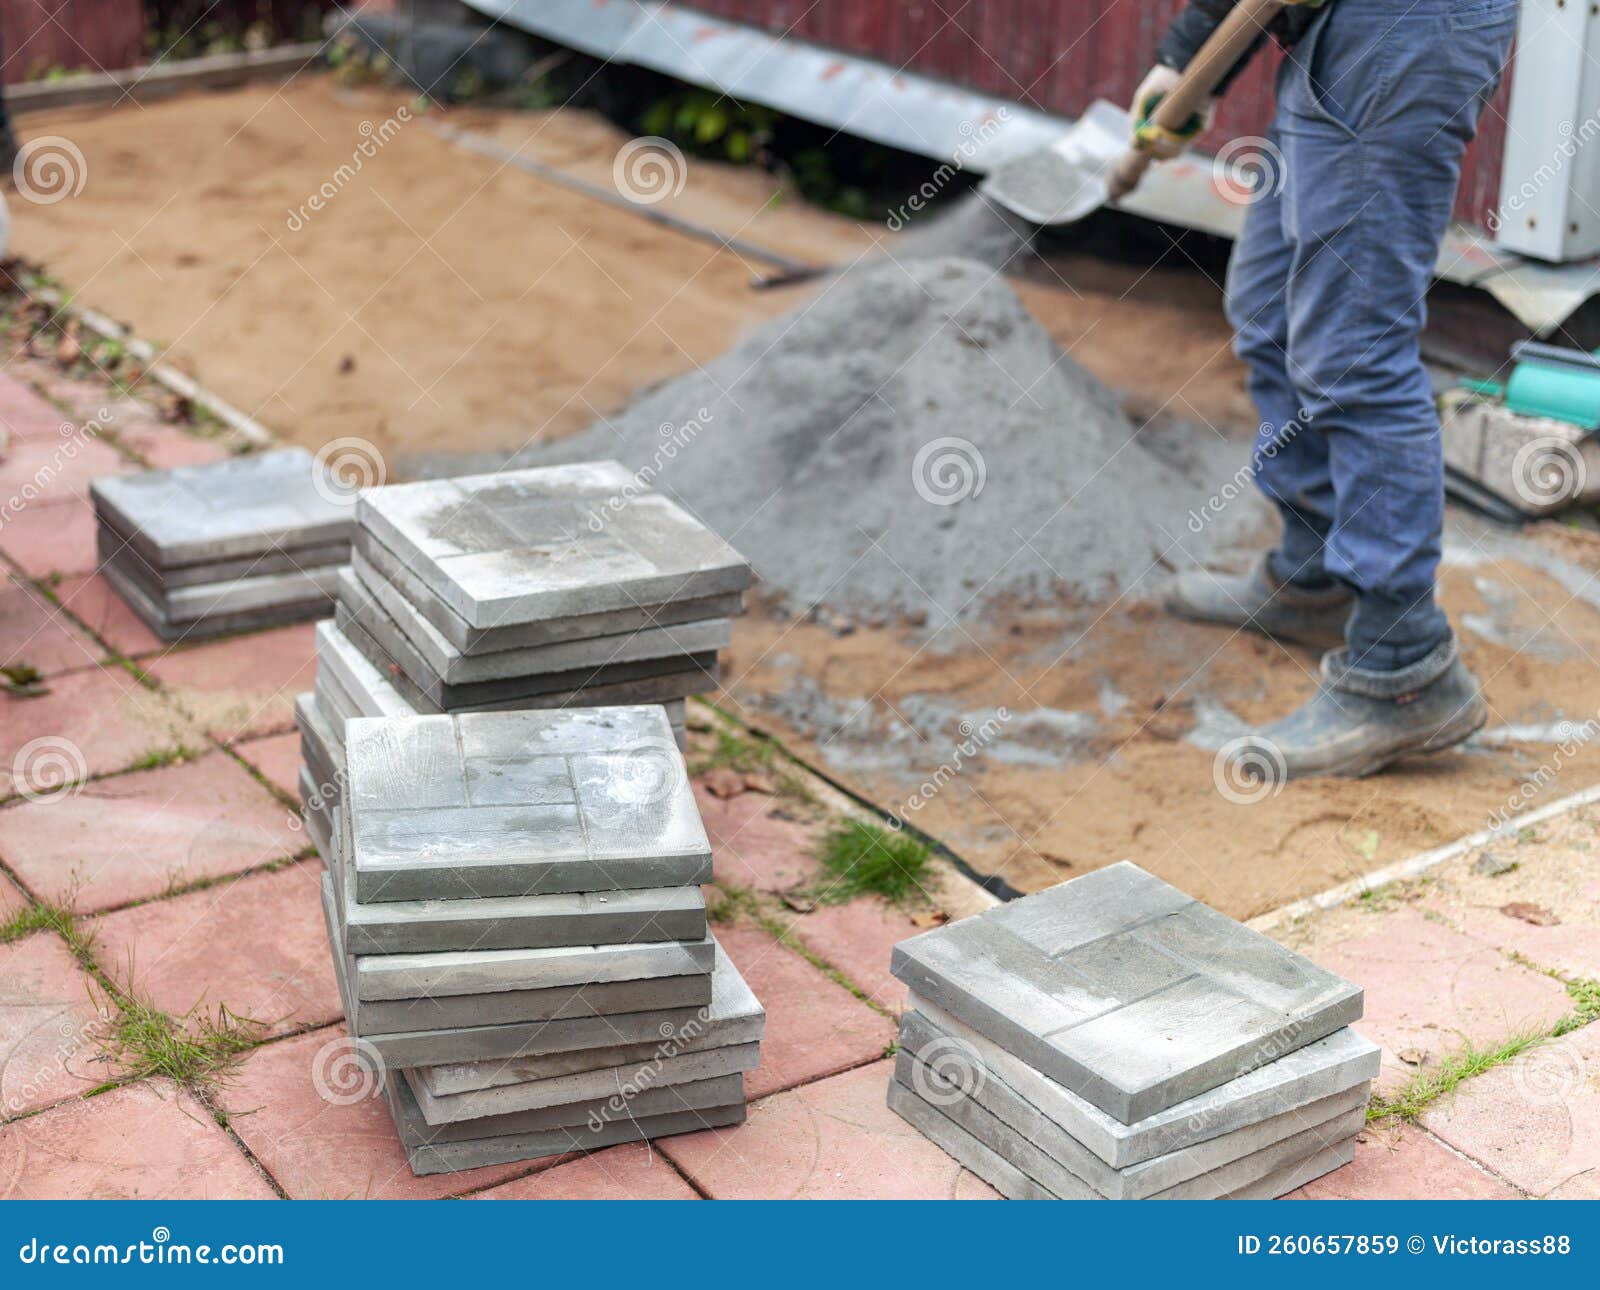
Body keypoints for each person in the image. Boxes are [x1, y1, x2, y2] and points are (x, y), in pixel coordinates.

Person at [1150, 0, 1520, 779]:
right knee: (1271, 312)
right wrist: (1189, 57)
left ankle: (1402, 666)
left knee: (1354, 353)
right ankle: (1316, 574)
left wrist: (1188, 56)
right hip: (1333, 27)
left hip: (1401, 30)